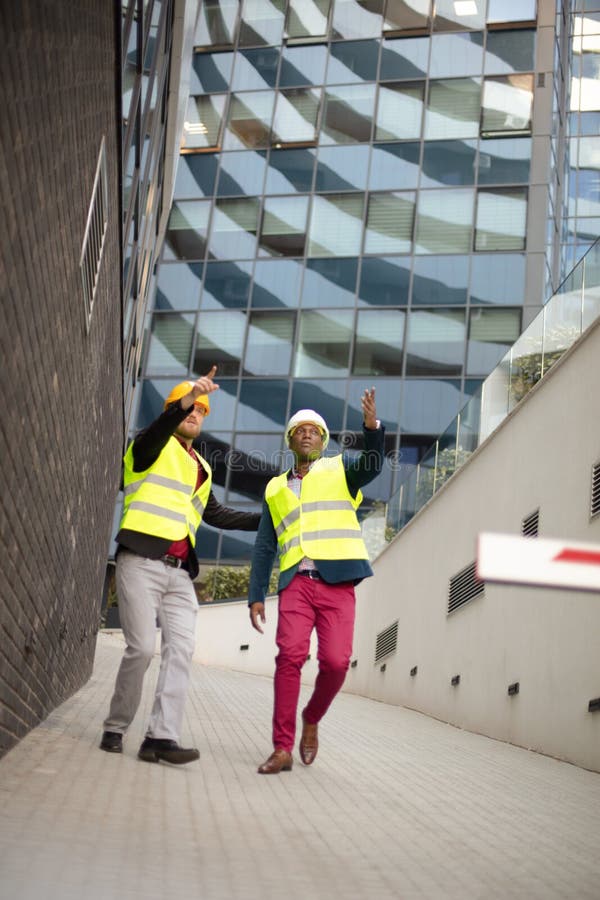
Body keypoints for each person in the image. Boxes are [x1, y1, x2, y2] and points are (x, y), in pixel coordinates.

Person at [100, 367, 260, 765]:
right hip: (140, 560)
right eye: (190, 408)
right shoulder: (148, 446)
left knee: (181, 651)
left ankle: (160, 737)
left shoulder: (200, 467)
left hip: (179, 573)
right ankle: (115, 727)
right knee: (141, 648)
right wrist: (185, 400)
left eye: (202, 411)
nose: (196, 414)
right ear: (174, 408)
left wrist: (270, 519)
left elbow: (216, 514)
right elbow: (156, 432)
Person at [249, 389, 384, 774]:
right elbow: (265, 544)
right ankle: (282, 748)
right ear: (290, 441)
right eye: (300, 430)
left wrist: (371, 427)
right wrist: (256, 593)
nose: (307, 434)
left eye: (314, 431)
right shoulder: (275, 488)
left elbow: (372, 466)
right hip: (296, 583)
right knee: (289, 658)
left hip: (337, 583)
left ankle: (312, 717)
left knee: (336, 663)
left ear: (323, 442)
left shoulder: (342, 470)